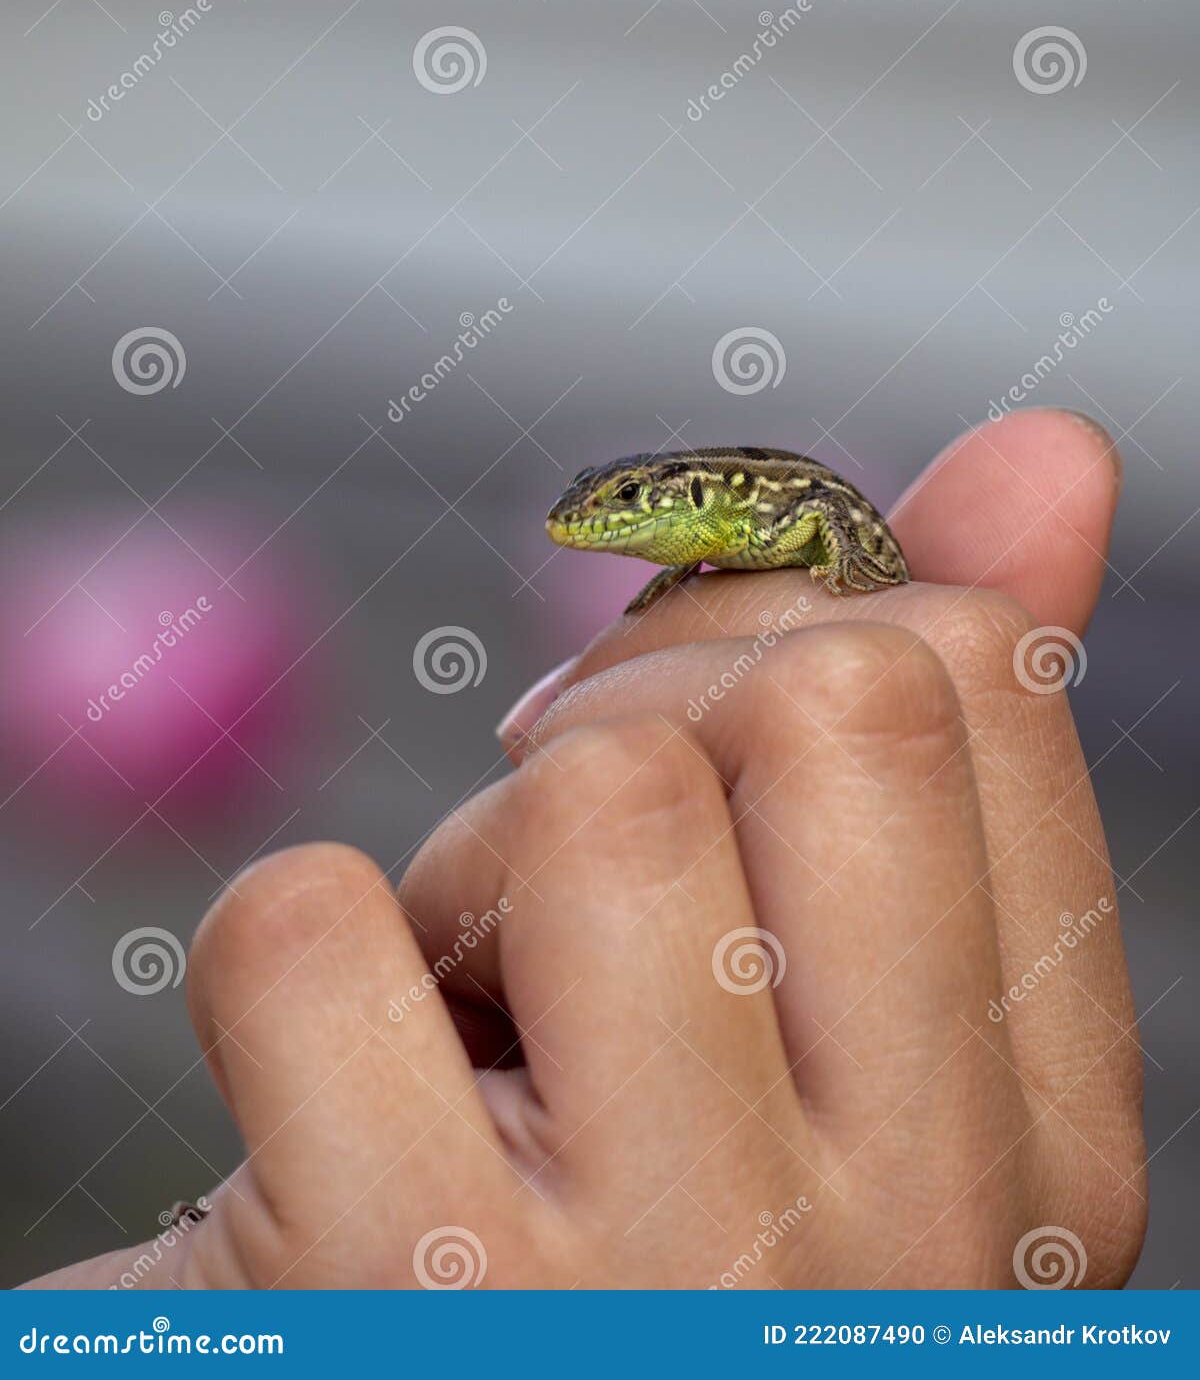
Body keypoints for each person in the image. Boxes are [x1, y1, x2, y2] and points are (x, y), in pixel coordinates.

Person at [21, 409, 1145, 1291]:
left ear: (674, 500)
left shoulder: (759, 515)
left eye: (611, 509)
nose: (587, 526)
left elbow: (830, 530)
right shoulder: (695, 547)